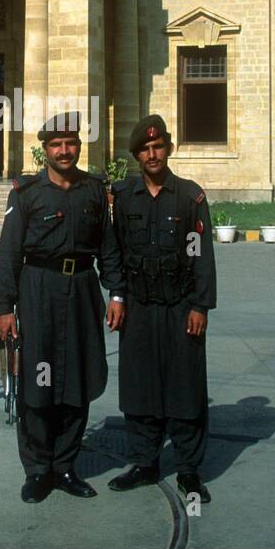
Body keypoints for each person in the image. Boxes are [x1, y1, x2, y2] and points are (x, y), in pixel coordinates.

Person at [0, 114, 125, 503]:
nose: (64, 150)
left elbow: (109, 249)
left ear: (79, 146)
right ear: (45, 150)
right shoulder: (26, 193)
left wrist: (117, 294)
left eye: (70, 142)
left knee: (77, 380)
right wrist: (4, 307)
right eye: (56, 144)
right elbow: (10, 254)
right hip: (37, 292)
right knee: (37, 382)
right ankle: (37, 470)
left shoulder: (94, 191)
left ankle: (65, 466)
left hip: (82, 290)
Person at [107, 114, 217, 503]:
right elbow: (114, 253)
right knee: (139, 388)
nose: (152, 154)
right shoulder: (122, 198)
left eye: (158, 147)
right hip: (137, 308)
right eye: (145, 149)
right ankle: (144, 462)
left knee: (185, 388)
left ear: (168, 149)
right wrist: (117, 296)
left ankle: (188, 470)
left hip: (179, 307)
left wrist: (200, 306)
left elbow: (201, 256)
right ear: (137, 155)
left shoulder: (189, 197)